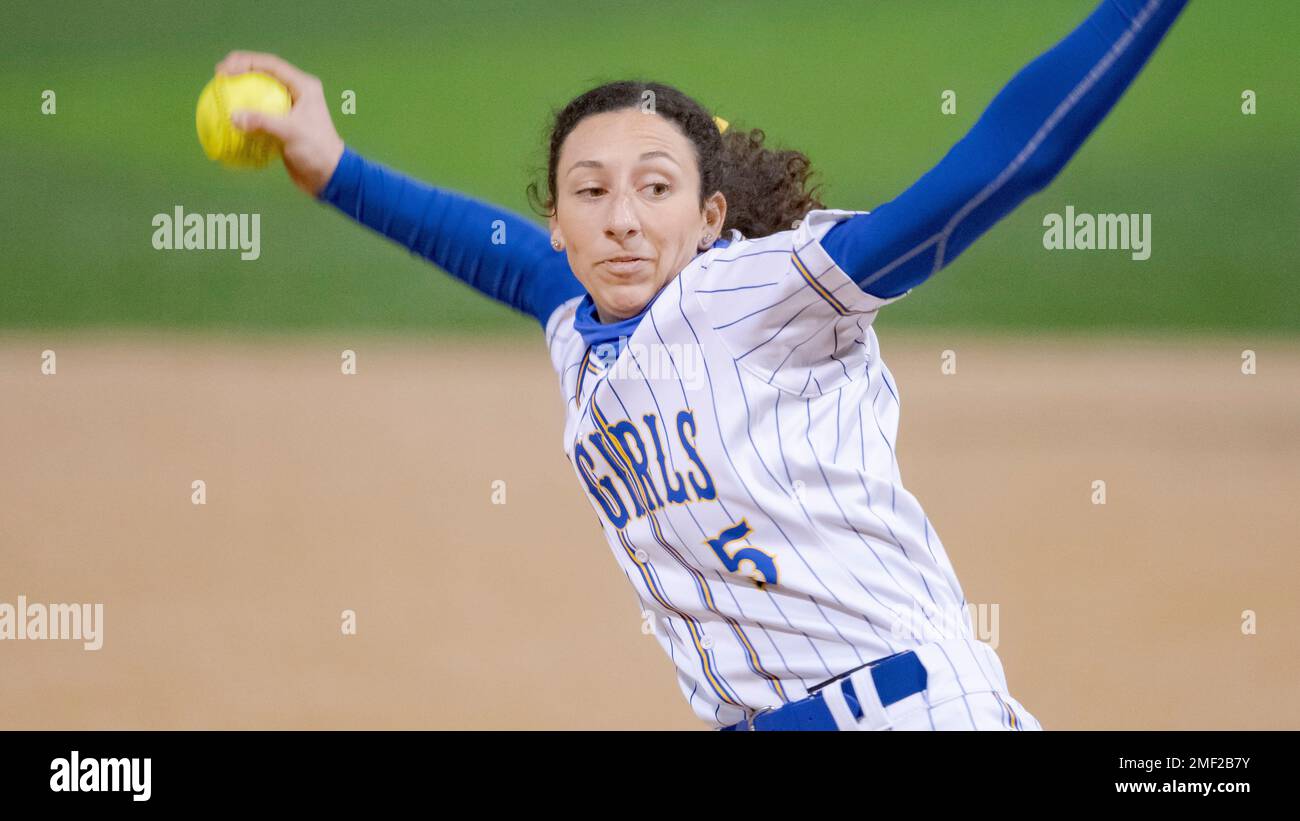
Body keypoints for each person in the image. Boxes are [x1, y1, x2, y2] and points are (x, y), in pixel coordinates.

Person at [216, 0, 1187, 730]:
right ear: (556, 223)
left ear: (709, 215)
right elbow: (483, 247)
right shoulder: (576, 315)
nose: (622, 217)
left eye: (655, 188)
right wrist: (330, 164)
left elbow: (996, 168)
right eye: (588, 191)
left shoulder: (774, 294)